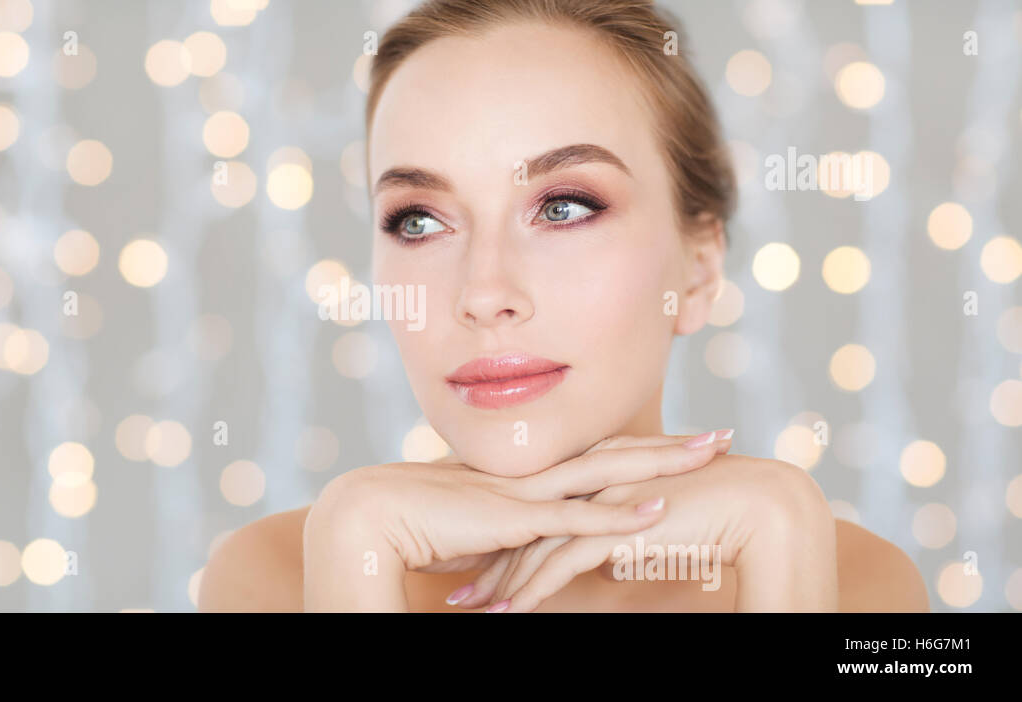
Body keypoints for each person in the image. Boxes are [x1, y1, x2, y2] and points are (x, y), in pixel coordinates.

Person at [199, 0, 929, 612]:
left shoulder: (859, 588)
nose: (484, 295)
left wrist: (784, 548)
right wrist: (354, 563)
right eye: (418, 220)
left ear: (700, 268)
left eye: (564, 208)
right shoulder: (278, 577)